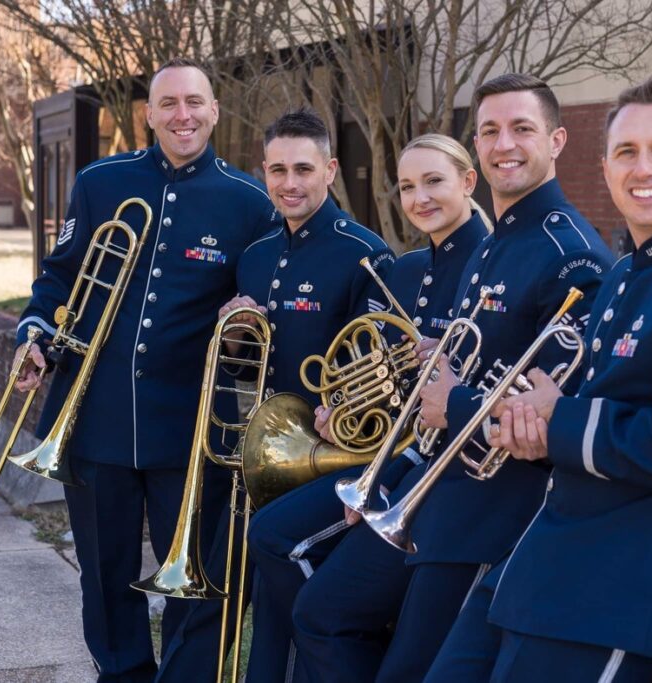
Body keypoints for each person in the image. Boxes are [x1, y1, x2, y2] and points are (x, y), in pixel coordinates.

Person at [426, 75, 652, 682]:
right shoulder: (625, 274)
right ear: (606, 167)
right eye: (626, 152)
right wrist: (530, 417)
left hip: (625, 586)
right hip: (548, 559)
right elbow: (582, 405)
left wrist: (554, 418)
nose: (642, 168)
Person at [293, 74, 615, 683]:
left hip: (494, 511)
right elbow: (477, 364)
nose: (504, 144)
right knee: (323, 614)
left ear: (557, 140)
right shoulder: (496, 245)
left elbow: (559, 403)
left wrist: (455, 399)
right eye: (490, 130)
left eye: (522, 128)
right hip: (441, 493)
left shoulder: (572, 255)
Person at [12, 58, 276, 682]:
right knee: (104, 574)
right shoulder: (101, 181)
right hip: (96, 415)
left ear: (213, 110)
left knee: (194, 580)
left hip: (189, 429)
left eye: (194, 102)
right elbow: (59, 276)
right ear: (149, 114)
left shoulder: (250, 203)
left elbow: (258, 311)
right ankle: (122, 674)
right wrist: (34, 333)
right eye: (168, 104)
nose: (182, 115)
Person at [154, 107, 395, 683]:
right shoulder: (257, 255)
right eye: (279, 169)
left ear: (331, 170)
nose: (290, 183)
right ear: (263, 171)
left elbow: (376, 379)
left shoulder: (365, 254)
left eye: (304, 169)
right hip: (251, 461)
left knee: (285, 621)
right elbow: (240, 373)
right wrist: (233, 336)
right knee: (209, 599)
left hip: (317, 467)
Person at [242, 132, 491, 683]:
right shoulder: (401, 270)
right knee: (269, 534)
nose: (420, 197)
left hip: (440, 471)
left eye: (434, 182)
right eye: (407, 186)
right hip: (385, 457)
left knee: (284, 552)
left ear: (468, 183)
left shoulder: (491, 265)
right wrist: (339, 407)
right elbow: (372, 365)